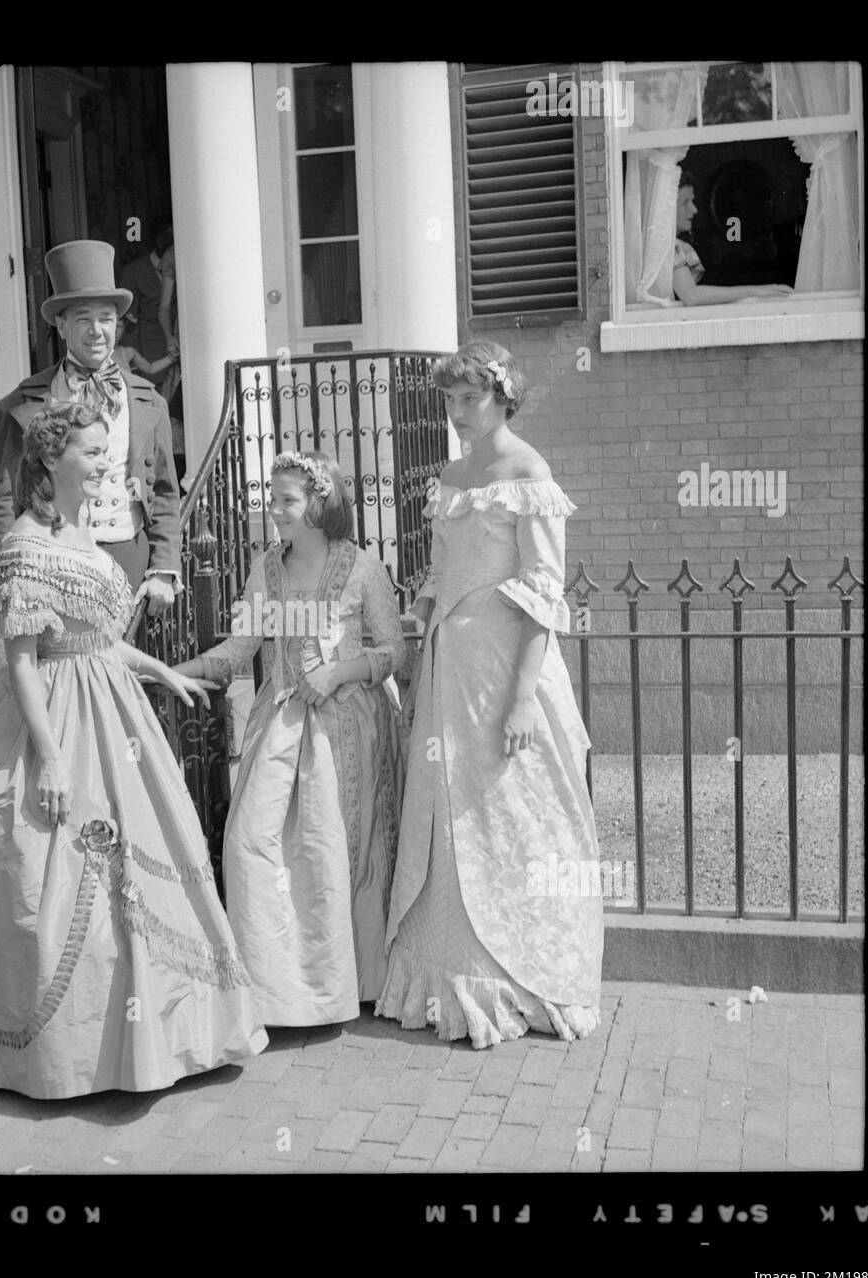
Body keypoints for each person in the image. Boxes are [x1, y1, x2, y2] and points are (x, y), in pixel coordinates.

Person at [0, 401, 267, 1098]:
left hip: (115, 708)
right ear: (52, 458)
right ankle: (66, 1055)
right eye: (94, 452)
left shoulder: (86, 537)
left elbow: (99, 640)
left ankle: (165, 1040)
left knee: (153, 868)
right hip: (55, 713)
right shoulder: (24, 541)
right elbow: (21, 659)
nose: (107, 464)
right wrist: (48, 759)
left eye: (108, 452)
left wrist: (158, 669)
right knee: (58, 882)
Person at [376, 343, 603, 1047]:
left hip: (507, 669)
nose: (456, 413)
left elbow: (543, 593)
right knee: (448, 815)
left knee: (516, 814)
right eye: (449, 401)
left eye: (468, 399)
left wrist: (525, 697)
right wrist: (416, 629)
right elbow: (440, 573)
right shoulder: (449, 474)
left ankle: (527, 976)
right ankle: (454, 977)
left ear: (503, 397)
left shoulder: (528, 472)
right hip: (451, 667)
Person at [173, 453, 405, 1026]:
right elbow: (239, 648)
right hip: (279, 724)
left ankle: (352, 985)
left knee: (337, 855)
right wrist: (182, 670)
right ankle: (278, 995)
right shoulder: (266, 570)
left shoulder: (362, 568)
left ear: (319, 504)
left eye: (286, 501)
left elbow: (394, 650)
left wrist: (339, 672)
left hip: (346, 726)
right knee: (253, 842)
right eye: (270, 499)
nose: (273, 511)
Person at [0, 239, 180, 617]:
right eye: (83, 318)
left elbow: (165, 492)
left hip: (130, 560)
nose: (97, 331)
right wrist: (10, 581)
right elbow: (5, 501)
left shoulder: (149, 401)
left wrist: (163, 569)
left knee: (127, 674)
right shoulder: (20, 407)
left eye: (106, 318)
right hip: (53, 562)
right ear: (61, 325)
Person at [673, 178, 793, 305]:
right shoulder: (670, 247)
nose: (694, 209)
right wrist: (756, 290)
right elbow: (691, 296)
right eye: (685, 202)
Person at [119, 221, 175, 374]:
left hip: (182, 350)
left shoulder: (185, 264)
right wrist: (133, 365)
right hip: (150, 356)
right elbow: (128, 323)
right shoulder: (133, 272)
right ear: (157, 241)